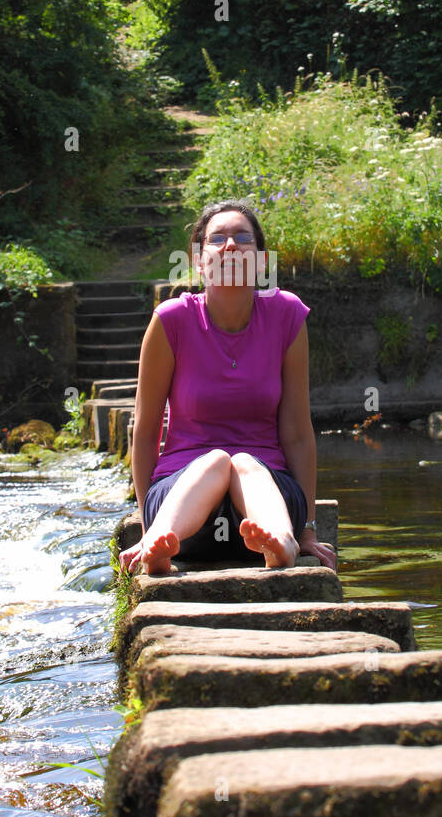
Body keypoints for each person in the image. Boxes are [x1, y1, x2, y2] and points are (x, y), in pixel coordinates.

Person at [119, 198, 336, 576]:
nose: (231, 245)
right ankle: (159, 543)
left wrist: (307, 531)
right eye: (217, 239)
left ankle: (281, 543)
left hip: (266, 500)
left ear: (262, 261)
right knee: (217, 460)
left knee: (244, 463)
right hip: (184, 507)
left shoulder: (287, 315)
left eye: (242, 238)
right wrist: (143, 522)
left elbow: (298, 433)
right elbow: (146, 428)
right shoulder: (172, 320)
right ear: (199, 261)